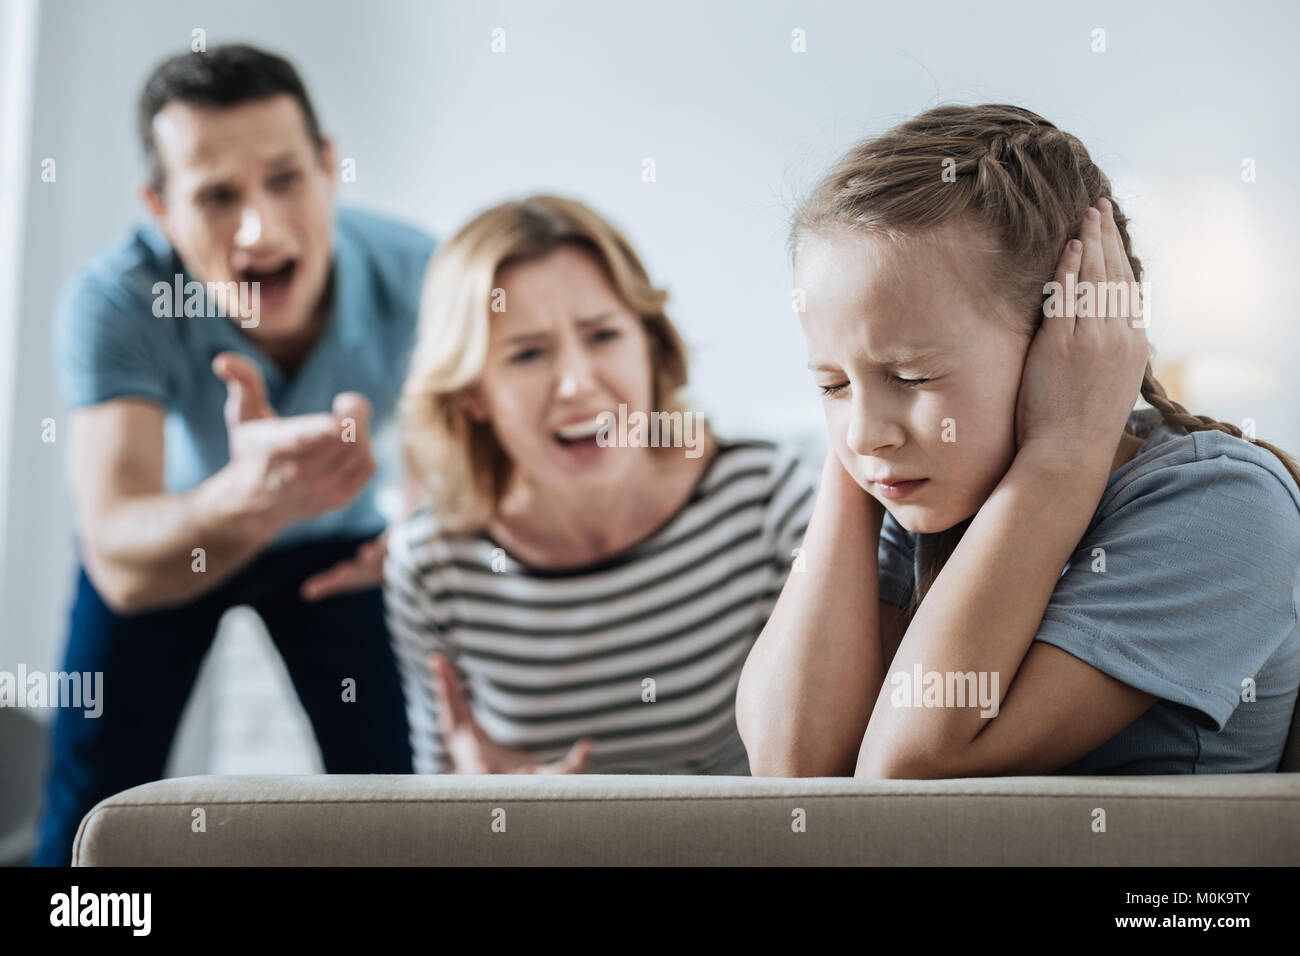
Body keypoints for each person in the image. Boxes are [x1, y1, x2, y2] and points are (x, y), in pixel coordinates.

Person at [737, 104, 1300, 777]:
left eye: (911, 375)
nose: (865, 432)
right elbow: (789, 769)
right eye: (831, 385)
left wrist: (1066, 443)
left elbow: (904, 773)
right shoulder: (928, 493)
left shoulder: (1219, 503)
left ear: (1067, 343)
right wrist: (854, 455)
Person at [31, 44, 434, 865]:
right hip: (176, 540)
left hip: (338, 550)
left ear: (328, 167)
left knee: (389, 797)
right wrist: (249, 500)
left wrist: (429, 526)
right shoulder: (115, 300)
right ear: (161, 209)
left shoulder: (423, 275)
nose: (260, 228)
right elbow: (115, 548)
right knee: (87, 805)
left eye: (285, 178)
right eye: (216, 196)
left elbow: (485, 461)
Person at [383, 195, 814, 774]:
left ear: (650, 344)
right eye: (528, 353)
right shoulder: (431, 564)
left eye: (603, 335)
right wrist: (482, 808)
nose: (575, 385)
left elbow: (828, 770)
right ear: (470, 394)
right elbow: (435, 816)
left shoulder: (767, 499)